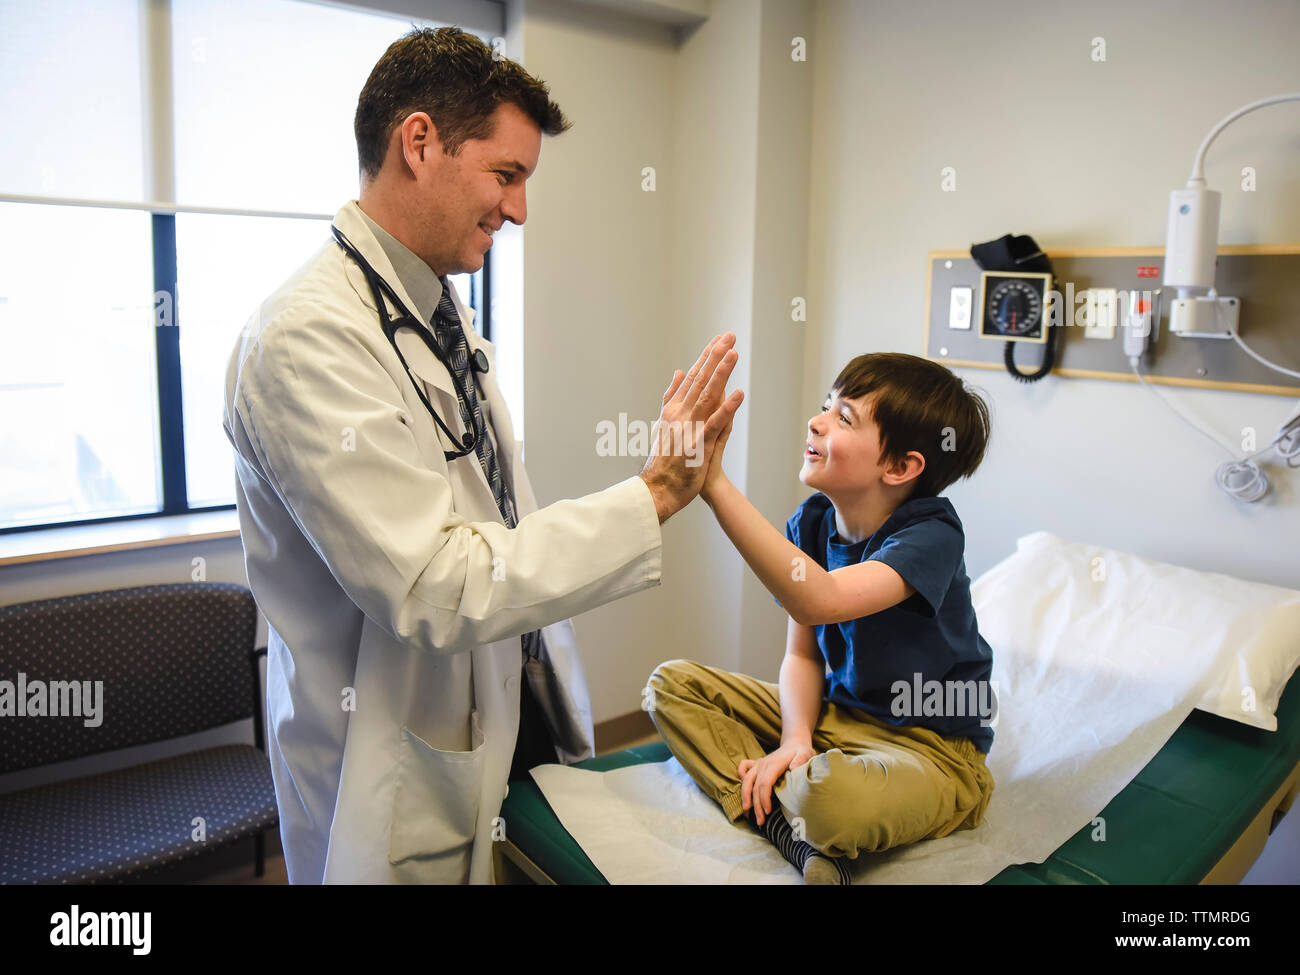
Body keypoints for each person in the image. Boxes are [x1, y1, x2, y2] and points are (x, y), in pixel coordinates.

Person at [223, 26, 743, 884]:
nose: (520, 209)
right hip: (387, 743)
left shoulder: (437, 308)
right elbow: (433, 583)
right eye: (508, 175)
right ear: (419, 143)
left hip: (502, 695)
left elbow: (492, 507)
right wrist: (650, 493)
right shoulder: (303, 338)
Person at [645, 352, 996, 884]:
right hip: (837, 718)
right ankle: (788, 829)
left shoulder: (931, 536)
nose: (817, 420)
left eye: (844, 417)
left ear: (899, 467)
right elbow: (801, 655)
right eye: (825, 406)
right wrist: (796, 738)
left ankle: (793, 805)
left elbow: (822, 599)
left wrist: (712, 483)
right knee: (670, 687)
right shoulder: (809, 525)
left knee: (827, 796)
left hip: (932, 749)